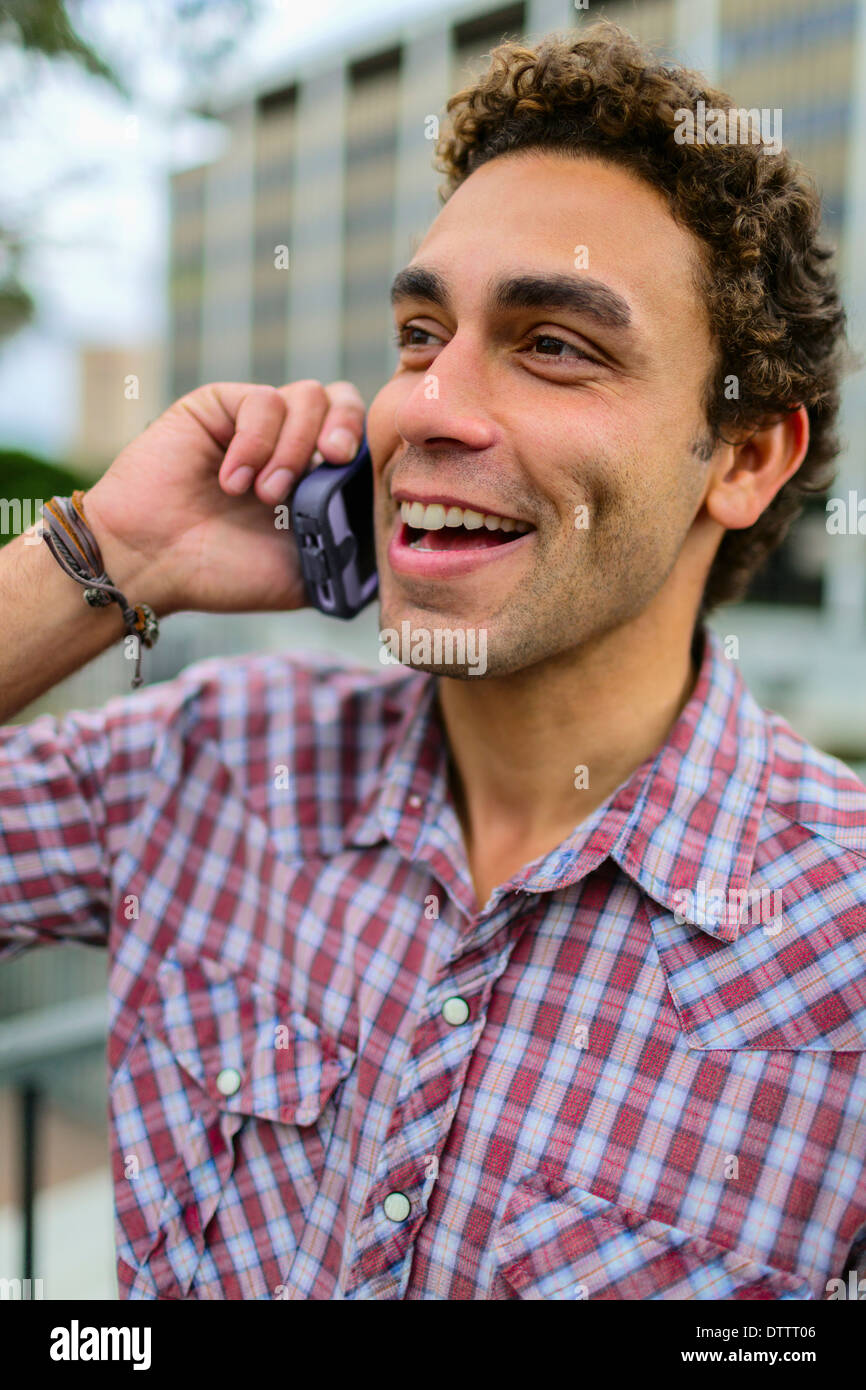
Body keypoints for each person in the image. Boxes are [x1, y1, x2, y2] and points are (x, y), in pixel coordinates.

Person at [1, 20, 864, 1301]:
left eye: (552, 344)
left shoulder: (838, 955)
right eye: (419, 333)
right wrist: (114, 553)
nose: (421, 407)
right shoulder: (207, 757)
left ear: (741, 458)